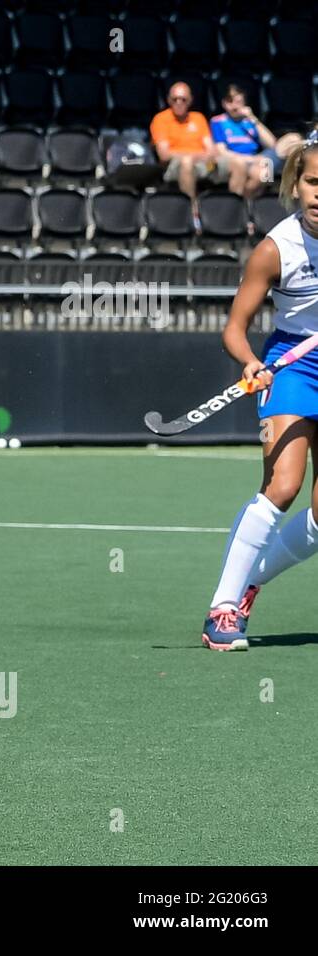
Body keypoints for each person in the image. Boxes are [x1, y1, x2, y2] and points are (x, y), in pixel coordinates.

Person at [200, 130, 318, 651]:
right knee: (284, 485)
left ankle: (251, 579)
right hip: (290, 366)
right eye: (314, 182)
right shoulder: (276, 248)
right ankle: (222, 608)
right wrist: (251, 364)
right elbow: (233, 328)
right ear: (296, 183)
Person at [210, 85, 297, 199]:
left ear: (244, 103)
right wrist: (250, 159)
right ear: (224, 104)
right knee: (240, 164)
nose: (234, 106)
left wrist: (252, 118)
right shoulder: (218, 121)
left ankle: (249, 202)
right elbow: (222, 151)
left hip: (257, 159)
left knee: (292, 140)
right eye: (230, 102)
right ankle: (239, 205)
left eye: (238, 101)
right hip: (234, 160)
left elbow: (272, 144)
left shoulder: (250, 121)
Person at [150, 82, 218, 205]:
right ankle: (192, 211)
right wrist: (195, 156)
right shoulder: (160, 119)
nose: (179, 103)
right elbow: (164, 155)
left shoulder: (198, 118)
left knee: (235, 164)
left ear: (190, 101)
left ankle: (239, 213)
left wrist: (193, 156)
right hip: (173, 167)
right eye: (175, 99)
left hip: (204, 165)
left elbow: (211, 151)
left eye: (183, 99)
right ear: (168, 100)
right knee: (187, 162)